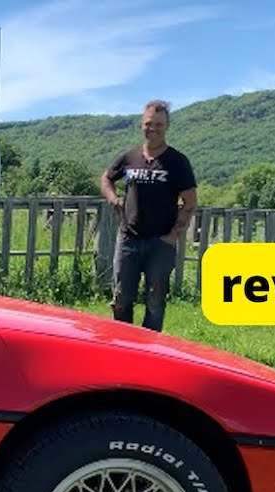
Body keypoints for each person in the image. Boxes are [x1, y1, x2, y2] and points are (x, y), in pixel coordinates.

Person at [101, 99, 197, 333]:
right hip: (129, 239)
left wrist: (173, 236)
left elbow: (190, 202)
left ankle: (150, 350)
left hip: (160, 243)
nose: (152, 129)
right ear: (141, 125)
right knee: (122, 298)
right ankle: (124, 346)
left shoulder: (177, 161)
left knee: (155, 301)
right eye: (148, 124)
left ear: (167, 127)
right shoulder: (129, 157)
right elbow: (106, 178)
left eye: (158, 125)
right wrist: (114, 199)